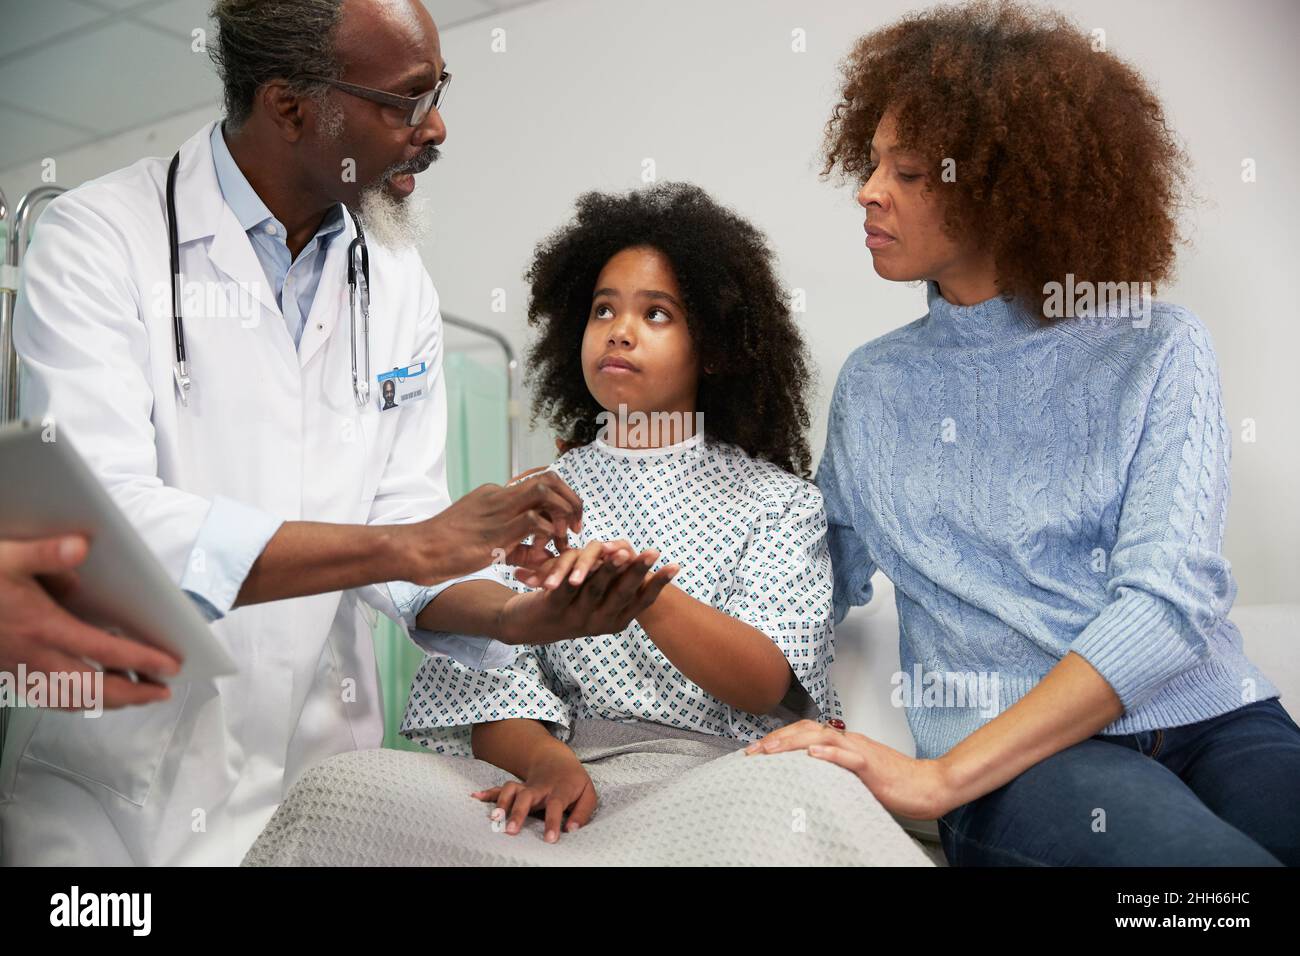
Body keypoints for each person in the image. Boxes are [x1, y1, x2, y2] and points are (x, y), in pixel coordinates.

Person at [0, 0, 660, 866]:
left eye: (438, 91)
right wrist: (410, 544)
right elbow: (109, 531)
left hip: (319, 789)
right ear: (289, 107)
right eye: (407, 100)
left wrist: (517, 615)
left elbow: (407, 532)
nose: (436, 128)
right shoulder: (100, 241)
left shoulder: (395, 277)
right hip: (118, 800)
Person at [750, 0, 1300, 866]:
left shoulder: (1158, 345)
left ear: (1007, 190)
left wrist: (937, 780)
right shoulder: (875, 386)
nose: (867, 190)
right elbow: (804, 583)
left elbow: (1169, 603)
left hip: (1219, 719)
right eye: (871, 162)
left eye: (908, 171)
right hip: (1015, 761)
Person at [327, 183, 927, 866]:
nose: (619, 329)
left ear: (714, 347)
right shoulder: (531, 500)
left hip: (725, 781)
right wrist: (548, 764)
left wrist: (641, 595)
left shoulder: (780, 503)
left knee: (806, 804)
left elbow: (766, 680)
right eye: (603, 309)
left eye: (657, 314)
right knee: (348, 787)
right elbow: (487, 688)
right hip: (569, 775)